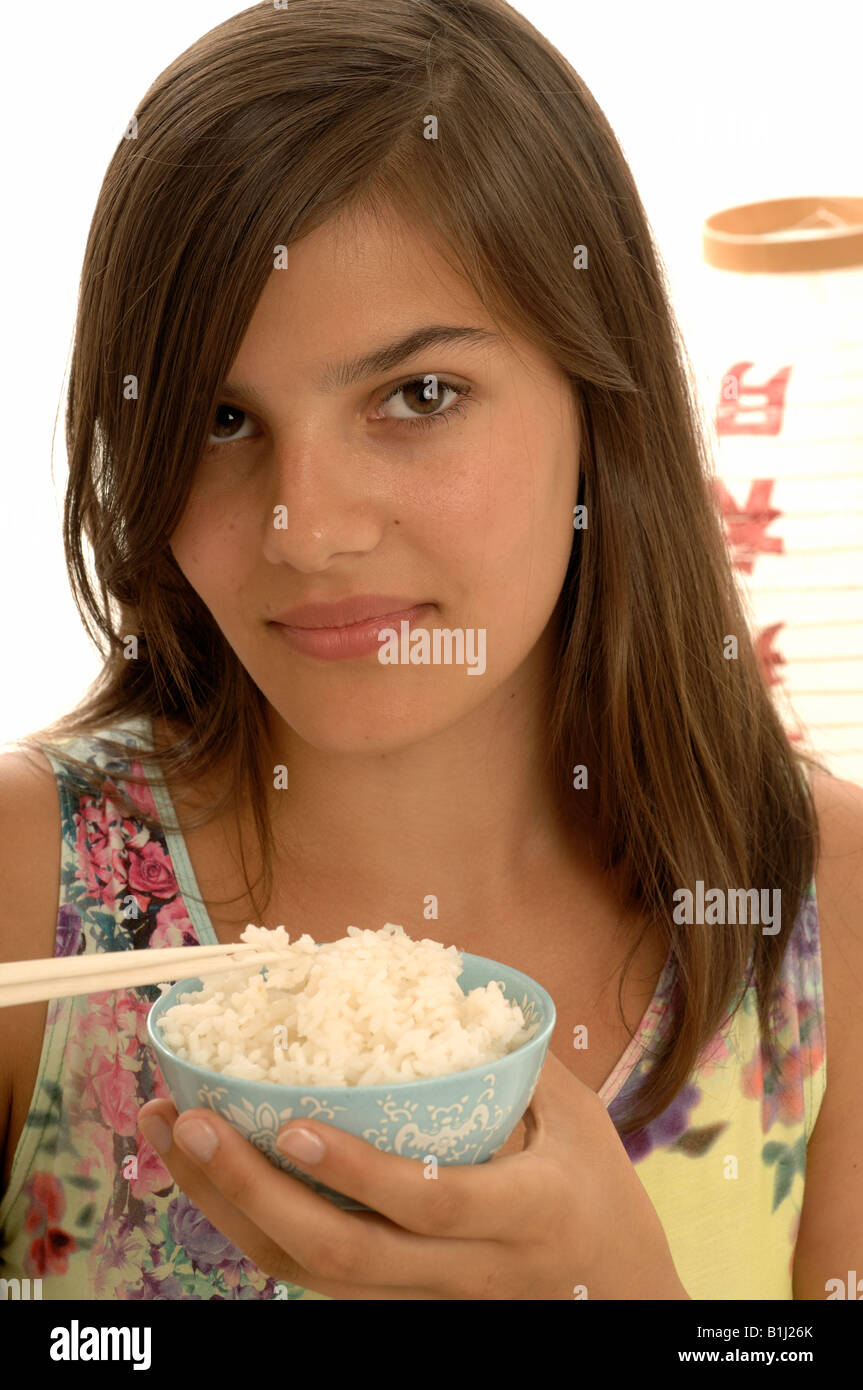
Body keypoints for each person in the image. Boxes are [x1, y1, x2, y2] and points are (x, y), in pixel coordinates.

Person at [1, 0, 861, 1301]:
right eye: (222, 416)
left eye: (418, 395)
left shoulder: (822, 899)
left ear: (600, 398)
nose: (311, 527)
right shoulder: (29, 892)